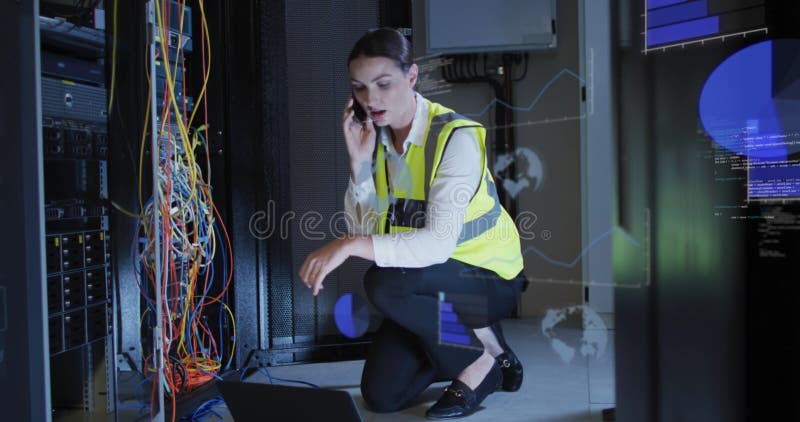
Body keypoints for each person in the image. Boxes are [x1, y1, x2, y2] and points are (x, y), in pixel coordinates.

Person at [299, 28, 526, 419]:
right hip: (426, 284)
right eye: (359, 87)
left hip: (487, 277)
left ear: (412, 76)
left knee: (385, 281)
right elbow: (371, 232)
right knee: (381, 396)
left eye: (383, 84)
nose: (371, 99)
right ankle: (484, 343)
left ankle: (479, 364)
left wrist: (346, 245)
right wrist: (359, 164)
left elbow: (436, 245)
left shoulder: (455, 137)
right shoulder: (378, 141)